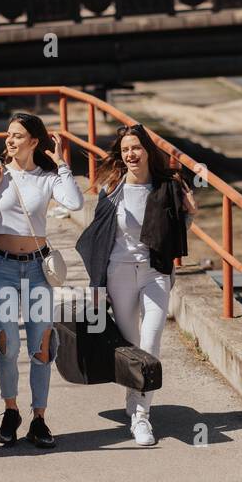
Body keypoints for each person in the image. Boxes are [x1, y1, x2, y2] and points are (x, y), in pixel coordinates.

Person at [0, 111, 83, 449]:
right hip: (0, 267)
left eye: (17, 135)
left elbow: (74, 202)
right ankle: (11, 410)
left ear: (33, 141)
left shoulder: (47, 177)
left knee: (41, 348)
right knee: (8, 344)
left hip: (36, 269)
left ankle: (40, 419)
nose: (10, 140)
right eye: (8, 134)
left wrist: (61, 164)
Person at [75, 124, 198, 447]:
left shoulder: (167, 186)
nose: (131, 154)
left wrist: (190, 214)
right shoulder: (112, 188)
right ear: (121, 154)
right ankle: (134, 404)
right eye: (126, 149)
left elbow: (175, 232)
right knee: (131, 347)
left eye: (136, 148)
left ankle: (141, 416)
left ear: (147, 152)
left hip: (154, 271)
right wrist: (97, 285)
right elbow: (99, 239)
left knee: (151, 342)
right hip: (119, 272)